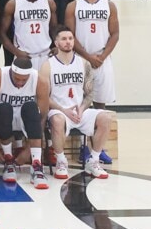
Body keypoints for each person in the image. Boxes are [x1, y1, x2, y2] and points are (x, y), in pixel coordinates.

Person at [41, 26, 114, 180]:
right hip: (60, 111)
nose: (68, 42)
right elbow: (42, 97)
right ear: (56, 42)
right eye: (63, 39)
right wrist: (63, 110)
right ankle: (61, 161)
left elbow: (90, 93)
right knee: (57, 120)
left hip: (79, 111)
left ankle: (93, 161)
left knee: (106, 117)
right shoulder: (48, 65)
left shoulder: (83, 63)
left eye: (70, 39)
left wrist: (82, 108)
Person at [67, 0, 118, 165]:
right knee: (81, 102)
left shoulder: (109, 5)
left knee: (101, 103)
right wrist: (88, 57)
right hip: (80, 58)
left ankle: (98, 148)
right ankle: (83, 149)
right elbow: (70, 34)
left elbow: (115, 34)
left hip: (103, 58)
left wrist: (102, 56)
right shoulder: (73, 6)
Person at [0, 57, 50, 188]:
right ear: (11, 72)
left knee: (31, 107)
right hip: (2, 118)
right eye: (17, 79)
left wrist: (28, 150)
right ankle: (9, 161)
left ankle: (36, 166)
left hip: (26, 118)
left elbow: (42, 117)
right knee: (4, 108)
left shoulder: (40, 80)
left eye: (24, 80)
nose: (20, 83)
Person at [0, 0, 56, 70]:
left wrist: (56, 45)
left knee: (46, 85)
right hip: (25, 56)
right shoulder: (13, 3)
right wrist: (16, 52)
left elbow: (54, 28)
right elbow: (1, 33)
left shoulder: (48, 1)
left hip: (46, 55)